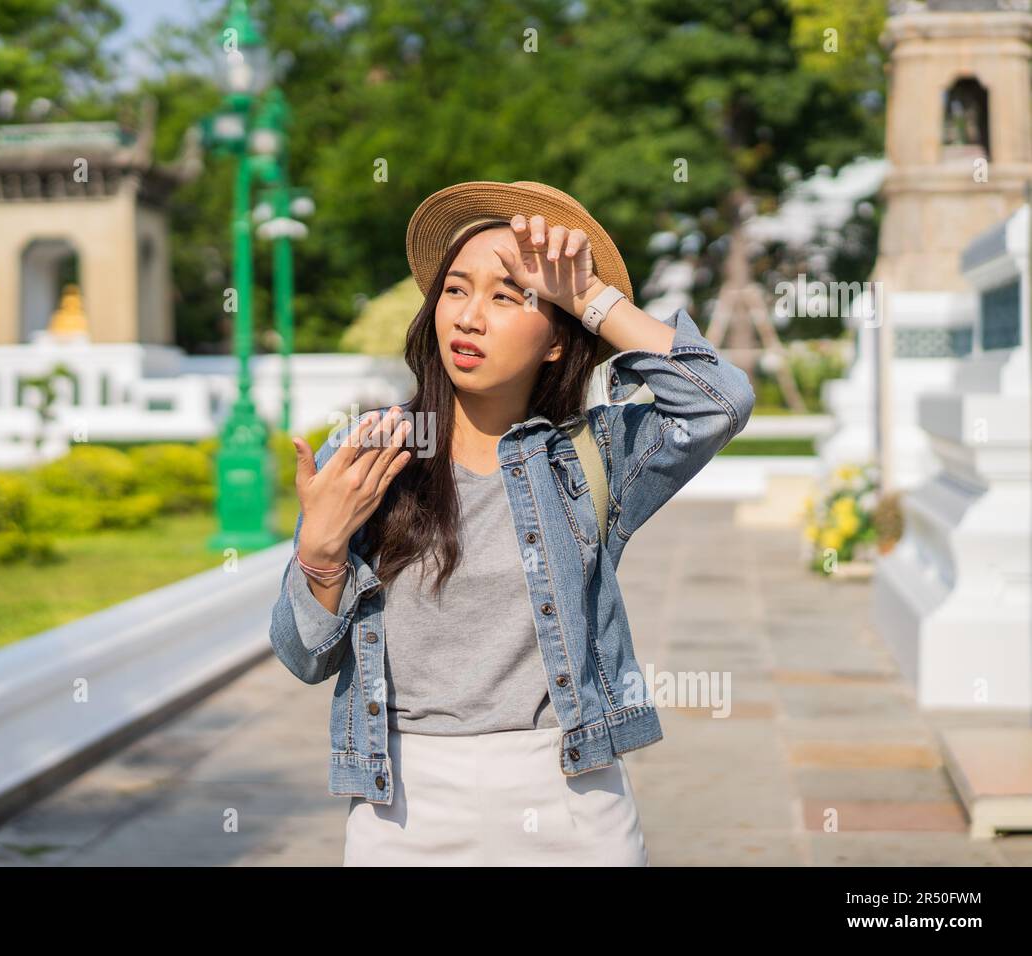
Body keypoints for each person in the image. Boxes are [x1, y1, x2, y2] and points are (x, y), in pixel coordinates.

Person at [271, 180, 756, 865]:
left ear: (559, 339)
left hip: (569, 797)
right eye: (456, 290)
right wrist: (320, 556)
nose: (469, 317)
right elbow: (303, 657)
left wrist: (590, 298)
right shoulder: (371, 456)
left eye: (507, 296)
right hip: (402, 809)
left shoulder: (594, 458)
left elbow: (718, 401)